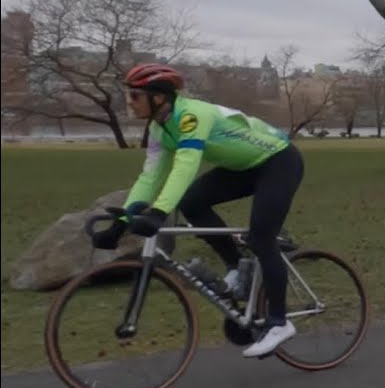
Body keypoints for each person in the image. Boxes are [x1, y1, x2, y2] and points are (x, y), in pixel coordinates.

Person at [90, 63, 304, 357]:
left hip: (279, 161)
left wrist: (159, 212)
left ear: (159, 97)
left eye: (135, 96)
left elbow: (186, 165)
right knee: (191, 202)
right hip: (242, 167)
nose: (129, 102)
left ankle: (279, 322)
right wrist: (122, 222)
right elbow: (149, 177)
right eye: (129, 95)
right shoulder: (159, 128)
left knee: (261, 237)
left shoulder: (191, 115)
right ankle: (235, 266)